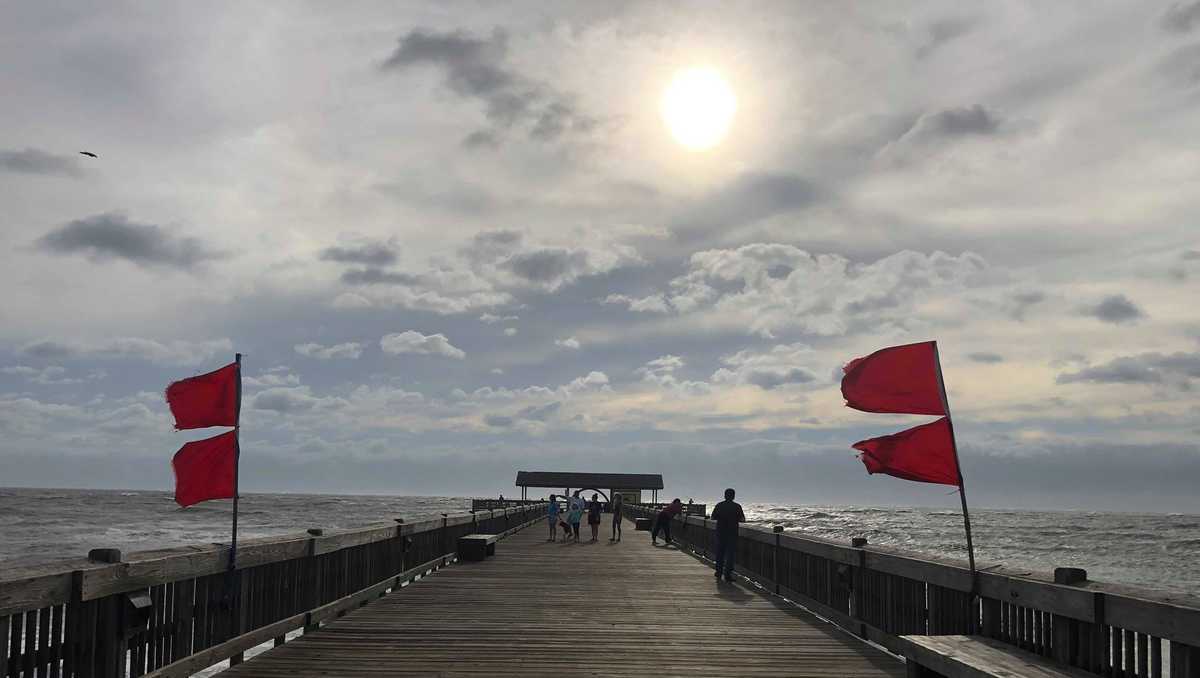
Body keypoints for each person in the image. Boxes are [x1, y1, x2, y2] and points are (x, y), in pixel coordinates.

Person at [710, 487, 746, 582]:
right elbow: (742, 519)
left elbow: (713, 517)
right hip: (732, 533)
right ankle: (727, 574)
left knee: (720, 553)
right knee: (730, 555)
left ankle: (718, 572)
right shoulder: (737, 506)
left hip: (721, 532)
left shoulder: (719, 505)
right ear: (733, 496)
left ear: (725, 495)